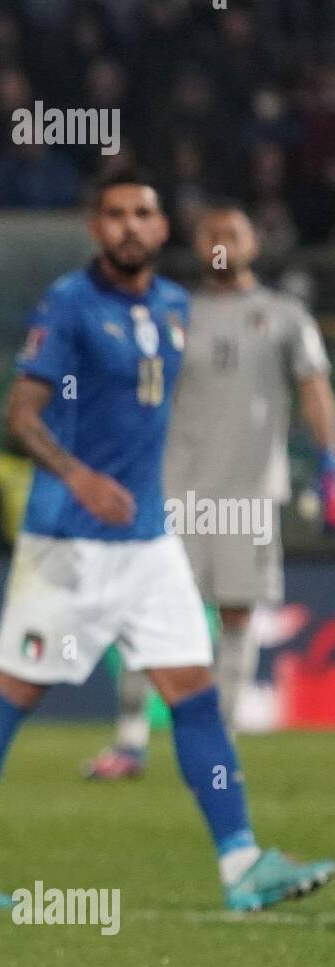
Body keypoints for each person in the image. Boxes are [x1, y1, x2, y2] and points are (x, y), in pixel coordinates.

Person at [0, 171, 332, 915]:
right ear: (95, 226)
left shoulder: (178, 307)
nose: (131, 226)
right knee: (14, 694)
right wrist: (77, 476)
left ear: (161, 227)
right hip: (68, 544)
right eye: (116, 215)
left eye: (144, 213)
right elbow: (20, 413)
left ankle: (241, 862)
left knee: (197, 700)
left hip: (149, 542)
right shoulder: (70, 305)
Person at [84, 204, 335, 778]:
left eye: (233, 233)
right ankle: (129, 741)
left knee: (238, 614)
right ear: (199, 245)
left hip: (249, 494)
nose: (222, 243)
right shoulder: (171, 312)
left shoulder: (284, 314)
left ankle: (218, 746)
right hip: (173, 493)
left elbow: (314, 388)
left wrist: (330, 460)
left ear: (253, 241)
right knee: (145, 612)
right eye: (212, 234)